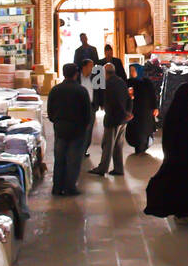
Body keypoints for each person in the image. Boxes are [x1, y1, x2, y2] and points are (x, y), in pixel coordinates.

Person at [144, 82, 188, 224]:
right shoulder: (176, 112)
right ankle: (184, 213)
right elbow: (174, 137)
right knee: (183, 186)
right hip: (182, 158)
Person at [45, 62, 92, 196]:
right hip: (77, 130)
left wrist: (57, 121)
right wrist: (84, 126)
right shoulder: (81, 90)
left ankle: (57, 187)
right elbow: (87, 113)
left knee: (59, 159)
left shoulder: (55, 90)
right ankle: (70, 187)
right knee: (74, 159)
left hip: (60, 128)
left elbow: (50, 112)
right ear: (76, 74)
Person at [90, 62, 132, 177]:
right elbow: (129, 98)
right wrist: (128, 112)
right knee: (118, 145)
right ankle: (119, 169)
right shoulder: (121, 82)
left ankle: (102, 168)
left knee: (107, 145)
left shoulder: (109, 84)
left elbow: (115, 102)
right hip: (123, 120)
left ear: (105, 73)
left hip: (113, 119)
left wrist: (123, 113)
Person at [125, 65, 157, 154]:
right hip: (134, 110)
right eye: (130, 70)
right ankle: (137, 146)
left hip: (146, 111)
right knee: (135, 129)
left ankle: (143, 146)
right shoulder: (129, 82)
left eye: (133, 70)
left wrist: (155, 107)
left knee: (145, 129)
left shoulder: (147, 82)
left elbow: (152, 95)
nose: (131, 73)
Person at [79, 58, 97, 160]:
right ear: (84, 67)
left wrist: (98, 104)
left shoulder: (95, 77)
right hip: (79, 106)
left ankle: (85, 149)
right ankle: (79, 149)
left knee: (89, 129)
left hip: (91, 106)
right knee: (80, 128)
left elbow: (99, 91)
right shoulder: (77, 77)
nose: (92, 68)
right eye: (91, 66)